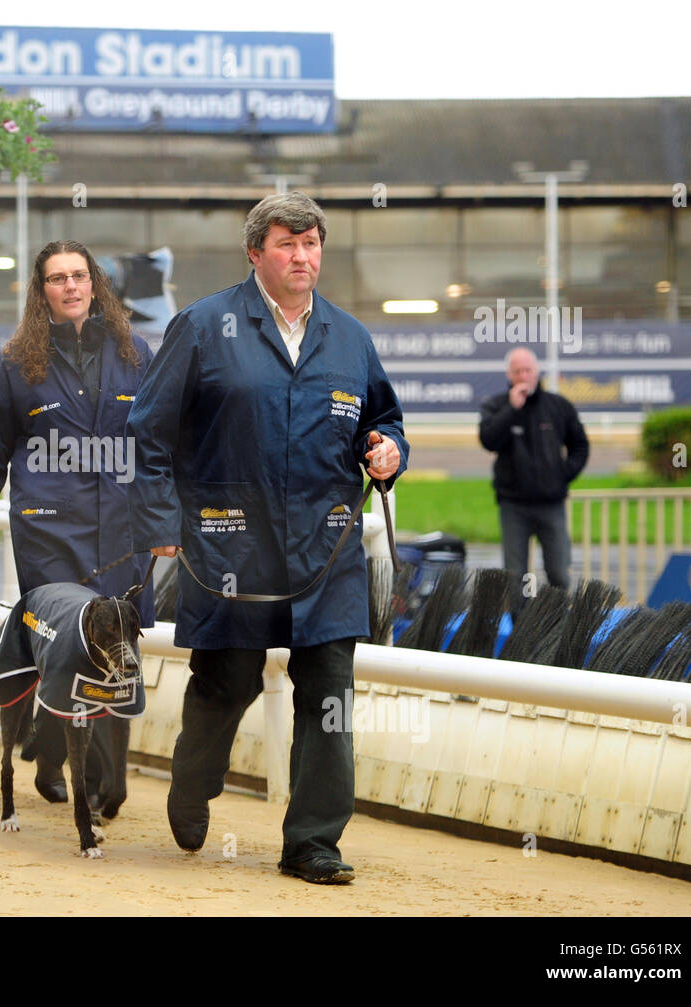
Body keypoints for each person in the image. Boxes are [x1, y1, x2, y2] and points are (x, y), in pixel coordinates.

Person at [127, 192, 408, 884]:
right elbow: (148, 432)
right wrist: (160, 520)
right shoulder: (201, 326)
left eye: (311, 244)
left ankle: (312, 840)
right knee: (226, 680)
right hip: (230, 548)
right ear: (256, 252)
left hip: (328, 549)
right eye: (287, 243)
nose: (302, 256)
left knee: (329, 693)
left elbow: (386, 419)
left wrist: (388, 449)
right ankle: (192, 784)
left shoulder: (350, 338)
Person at [0, 239, 154, 801]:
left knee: (117, 649)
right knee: (68, 646)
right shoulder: (16, 365)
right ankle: (72, 768)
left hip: (121, 533)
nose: (70, 286)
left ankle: (94, 771)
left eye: (79, 276)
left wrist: (167, 523)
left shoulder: (136, 355)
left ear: (95, 284)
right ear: (42, 292)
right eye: (57, 278)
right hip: (49, 534)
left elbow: (160, 446)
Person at [478, 347, 589, 591]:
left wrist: (563, 475)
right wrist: (511, 409)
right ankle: (522, 628)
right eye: (517, 371)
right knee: (515, 577)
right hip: (513, 505)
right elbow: (488, 440)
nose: (523, 376)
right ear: (509, 375)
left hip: (551, 503)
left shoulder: (558, 406)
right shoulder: (495, 405)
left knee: (559, 572)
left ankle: (558, 626)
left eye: (528, 370)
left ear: (537, 372)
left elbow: (580, 445)